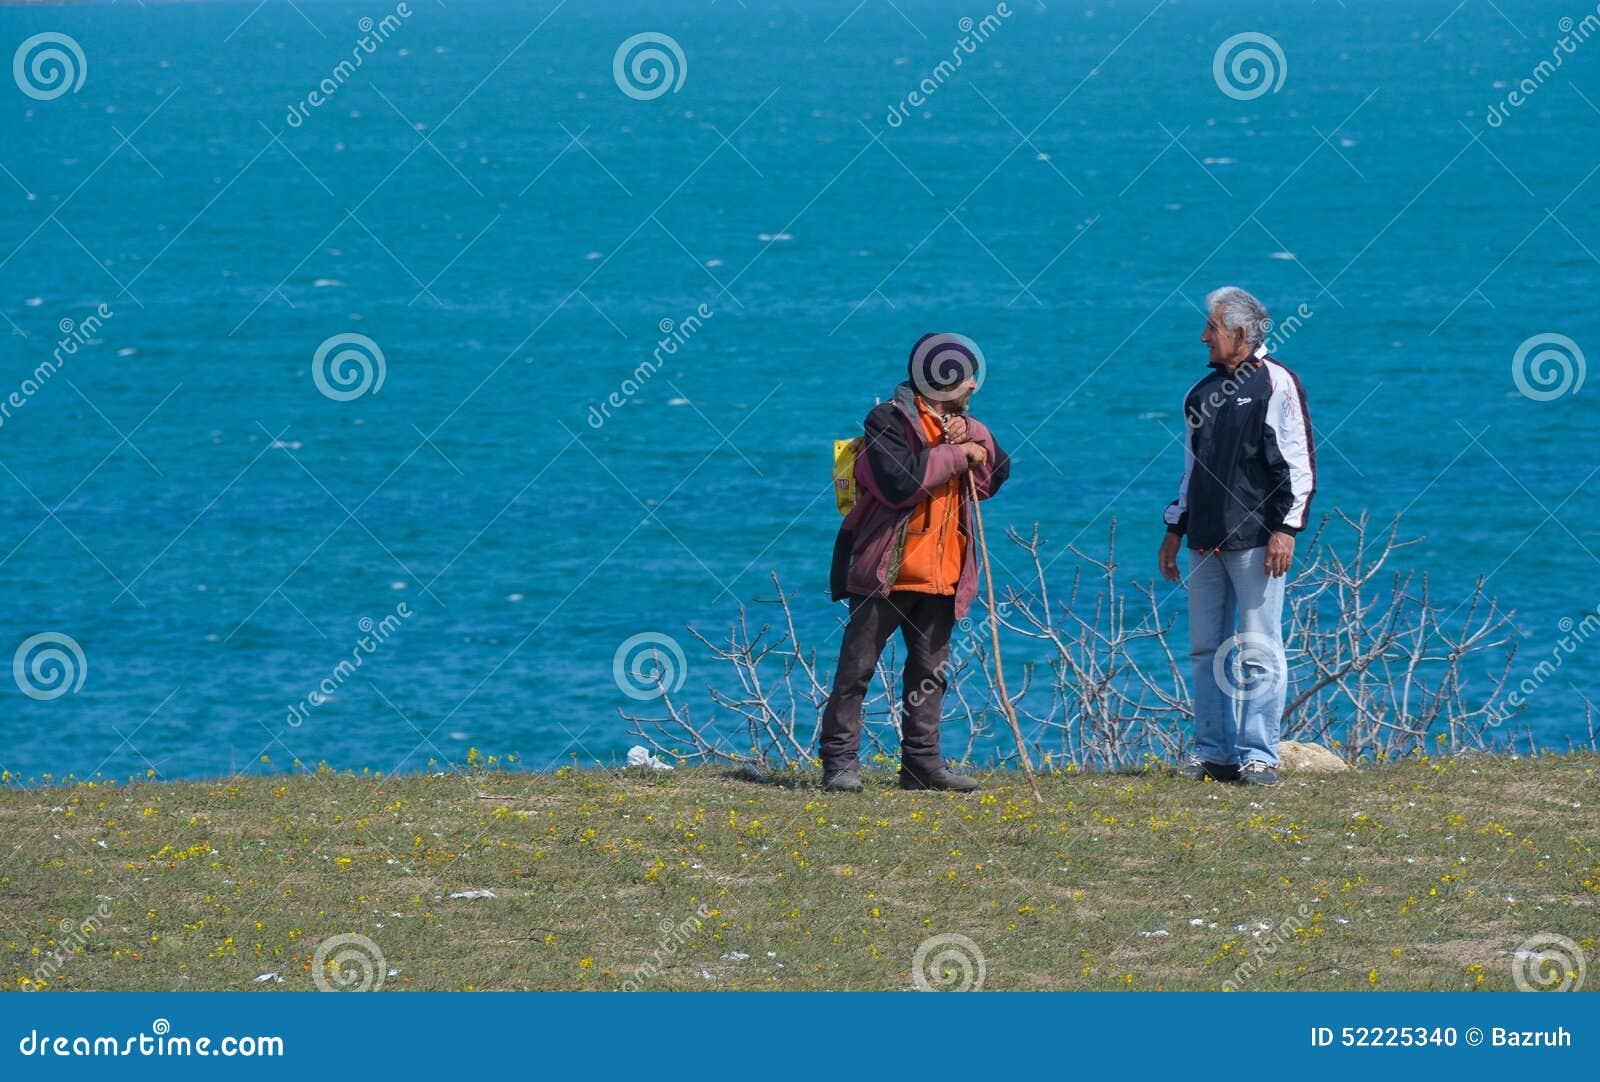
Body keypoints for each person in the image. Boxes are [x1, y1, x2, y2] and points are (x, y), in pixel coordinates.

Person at [821, 334, 1011, 792]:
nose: (974, 386)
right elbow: (899, 482)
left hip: (943, 574)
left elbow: (997, 474)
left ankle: (921, 765)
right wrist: (958, 453)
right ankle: (840, 764)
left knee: (930, 675)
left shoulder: (961, 426)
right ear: (943, 380)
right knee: (856, 671)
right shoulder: (886, 420)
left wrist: (974, 435)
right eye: (967, 378)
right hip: (885, 572)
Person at [1158, 287, 1316, 787]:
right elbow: (1191, 469)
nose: (1203, 336)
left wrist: (1286, 530)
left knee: (1258, 648)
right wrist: (1174, 527)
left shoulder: (1277, 382)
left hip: (1257, 539)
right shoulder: (1198, 393)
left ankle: (1259, 756)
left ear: (1241, 334)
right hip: (1204, 539)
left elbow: (1297, 463)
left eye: (1212, 327)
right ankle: (1215, 754)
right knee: (1206, 649)